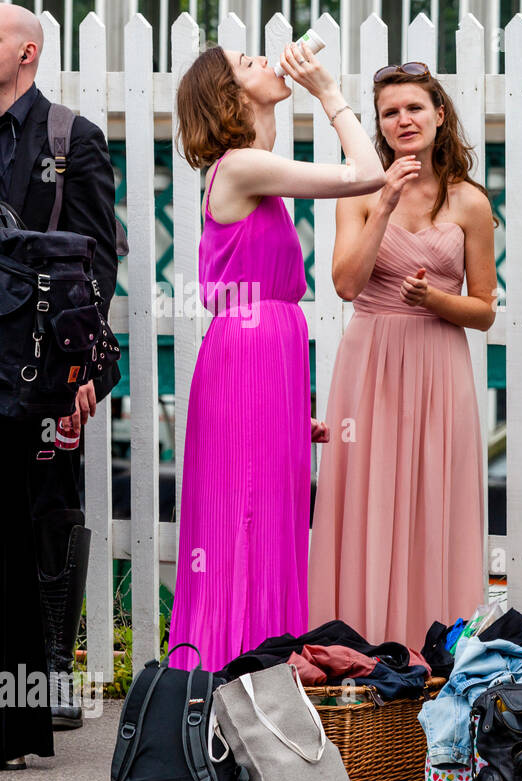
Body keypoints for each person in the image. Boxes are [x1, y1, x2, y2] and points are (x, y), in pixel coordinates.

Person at [170, 41, 384, 672]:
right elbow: (365, 174)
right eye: (247, 61)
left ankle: (254, 667)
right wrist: (328, 92)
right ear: (229, 95)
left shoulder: (249, 165)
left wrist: (289, 412)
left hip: (268, 356)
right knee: (244, 519)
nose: (265, 61)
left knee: (266, 518)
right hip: (251, 353)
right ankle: (234, 669)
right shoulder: (238, 166)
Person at [309, 64, 494, 650]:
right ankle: (360, 651)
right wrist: (384, 200)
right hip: (370, 363)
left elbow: (485, 308)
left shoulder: (470, 202)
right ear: (380, 127)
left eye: (414, 108)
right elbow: (344, 283)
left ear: (440, 115)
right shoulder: (359, 192)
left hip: (440, 363)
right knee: (366, 500)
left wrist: (435, 298)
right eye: (390, 113)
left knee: (434, 505)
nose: (403, 120)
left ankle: (432, 651)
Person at [0, 5, 120, 767]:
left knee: (47, 515)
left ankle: (45, 678)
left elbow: (97, 264)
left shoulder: (70, 138)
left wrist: (85, 369)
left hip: (41, 368)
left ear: (26, 52)